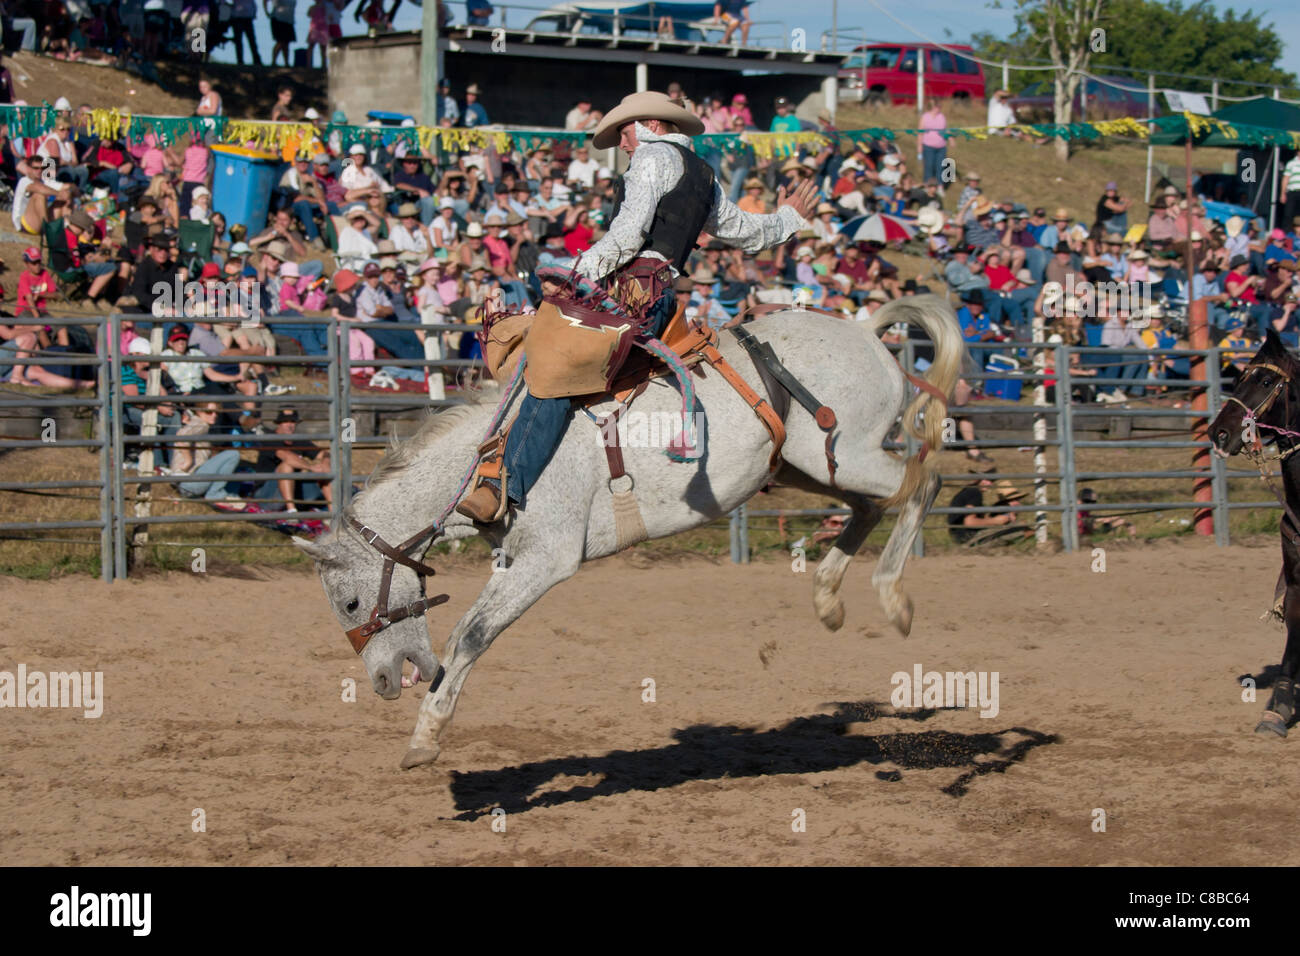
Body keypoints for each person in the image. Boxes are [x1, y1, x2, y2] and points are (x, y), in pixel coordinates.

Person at [454, 89, 817, 523]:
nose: (623, 144)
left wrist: (571, 272)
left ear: (653, 125)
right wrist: (789, 218)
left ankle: (502, 484)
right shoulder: (703, 172)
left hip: (629, 292)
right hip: (660, 297)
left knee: (553, 364)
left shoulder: (651, 158)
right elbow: (746, 232)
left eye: (625, 132)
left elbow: (627, 236)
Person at [918, 99, 947, 188]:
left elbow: (945, 131)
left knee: (940, 167)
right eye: (937, 106)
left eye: (940, 107)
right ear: (933, 107)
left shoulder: (942, 117)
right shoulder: (925, 117)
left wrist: (951, 139)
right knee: (929, 166)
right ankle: (927, 185)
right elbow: (920, 132)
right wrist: (919, 146)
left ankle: (939, 186)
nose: (939, 108)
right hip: (928, 146)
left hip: (941, 147)